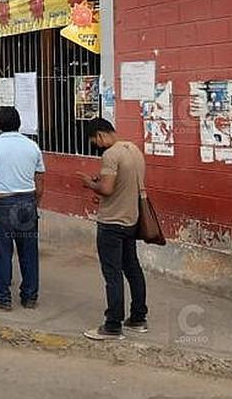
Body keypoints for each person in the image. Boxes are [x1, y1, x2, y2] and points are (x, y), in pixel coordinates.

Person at [78, 118, 149, 341]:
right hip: (131, 219)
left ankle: (112, 324)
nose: (97, 146)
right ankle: (138, 318)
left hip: (112, 222)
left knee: (112, 274)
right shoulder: (133, 149)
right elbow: (125, 183)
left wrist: (90, 183)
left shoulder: (110, 155)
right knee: (133, 269)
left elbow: (107, 189)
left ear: (100, 135)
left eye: (94, 141)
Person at [0, 106, 45, 311]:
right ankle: (30, 296)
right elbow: (40, 177)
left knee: (3, 253)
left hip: (3, 203)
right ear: (19, 123)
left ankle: (2, 298)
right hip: (27, 202)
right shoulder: (32, 146)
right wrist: (36, 202)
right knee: (29, 252)